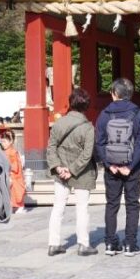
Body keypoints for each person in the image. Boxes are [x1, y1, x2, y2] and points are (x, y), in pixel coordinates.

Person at [95, 77, 140, 257]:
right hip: (132, 167)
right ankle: (130, 244)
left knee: (112, 204)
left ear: (114, 94)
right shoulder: (139, 114)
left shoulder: (104, 114)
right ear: (130, 94)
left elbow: (99, 142)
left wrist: (109, 165)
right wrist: (131, 165)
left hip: (112, 168)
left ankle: (110, 243)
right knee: (132, 204)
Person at [46, 88, 97, 256]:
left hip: (60, 172)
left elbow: (51, 147)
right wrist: (72, 170)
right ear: (86, 106)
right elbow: (87, 154)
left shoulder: (59, 123)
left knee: (58, 207)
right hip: (81, 173)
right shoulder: (88, 128)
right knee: (82, 208)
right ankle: (83, 244)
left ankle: (54, 243)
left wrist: (59, 167)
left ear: (71, 103)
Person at [0, 130, 26, 212]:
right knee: (11, 192)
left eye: (5, 141)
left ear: (10, 141)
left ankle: (20, 206)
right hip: (10, 175)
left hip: (15, 176)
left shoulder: (13, 152)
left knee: (16, 191)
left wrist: (7, 167)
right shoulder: (6, 151)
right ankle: (14, 206)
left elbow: (15, 166)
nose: (3, 143)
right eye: (2, 142)